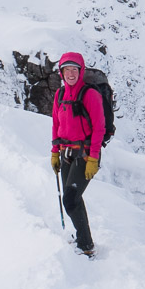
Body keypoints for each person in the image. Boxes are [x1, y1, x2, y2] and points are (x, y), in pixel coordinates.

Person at [49, 51, 104, 256]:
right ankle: (85, 243)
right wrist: (55, 153)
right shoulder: (60, 95)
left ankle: (85, 245)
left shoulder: (90, 94)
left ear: (81, 71)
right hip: (65, 153)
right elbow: (56, 124)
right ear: (61, 72)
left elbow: (99, 128)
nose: (70, 73)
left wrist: (94, 158)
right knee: (74, 198)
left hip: (84, 154)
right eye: (66, 69)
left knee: (70, 199)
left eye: (74, 69)